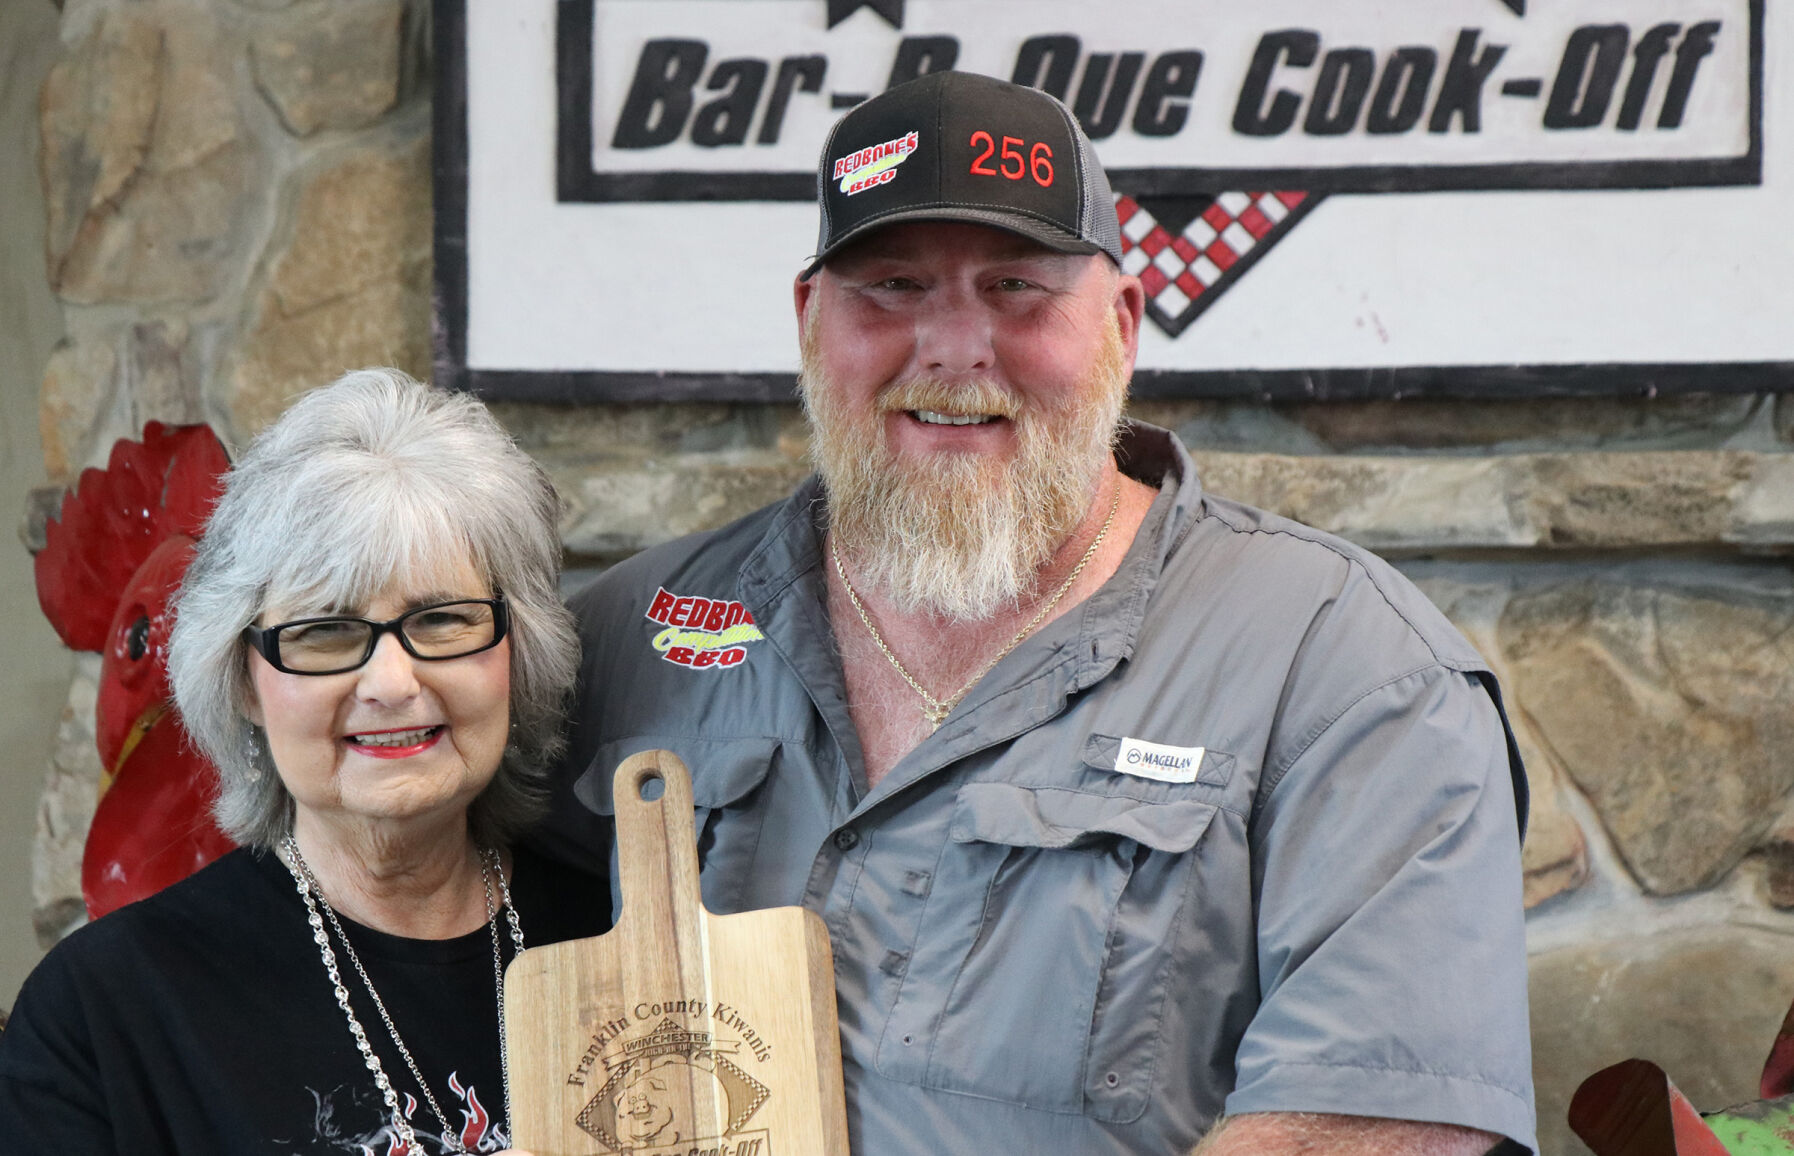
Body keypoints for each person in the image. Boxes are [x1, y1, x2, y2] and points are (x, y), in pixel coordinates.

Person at [539, 72, 1536, 1155]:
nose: (956, 346)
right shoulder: (628, 632)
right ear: (808, 318)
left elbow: (1377, 1123)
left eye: (1017, 286)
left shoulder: (1348, 667)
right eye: (892, 285)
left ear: (1121, 324)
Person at [0, 368, 608, 1154]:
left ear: (516, 652)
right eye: (325, 633)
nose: (392, 683)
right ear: (245, 681)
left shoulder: (627, 934)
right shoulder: (107, 1013)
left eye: (444, 620)